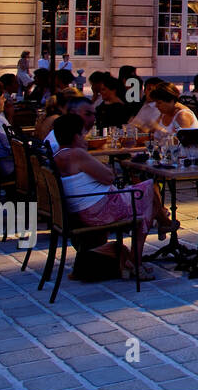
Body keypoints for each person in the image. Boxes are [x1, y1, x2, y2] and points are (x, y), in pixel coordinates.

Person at [52, 114, 177, 277]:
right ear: (76, 136)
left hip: (84, 209)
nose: (85, 138)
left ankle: (161, 225)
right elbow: (109, 177)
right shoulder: (76, 154)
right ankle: (138, 259)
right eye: (83, 134)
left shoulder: (57, 155)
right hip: (99, 211)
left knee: (146, 192)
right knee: (148, 190)